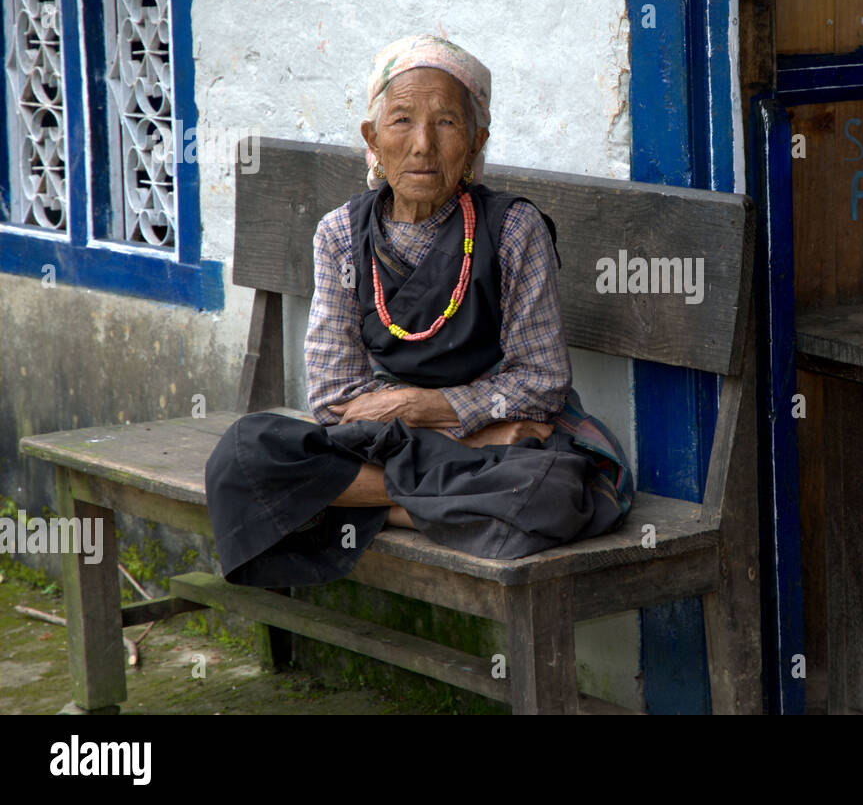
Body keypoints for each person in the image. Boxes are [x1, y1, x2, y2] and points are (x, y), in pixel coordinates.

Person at [204, 34, 633, 586]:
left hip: (502, 444)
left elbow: (542, 381)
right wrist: (471, 440)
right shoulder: (340, 233)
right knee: (245, 455)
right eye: (402, 120)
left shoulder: (513, 229)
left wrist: (424, 405)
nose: (423, 145)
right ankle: (424, 507)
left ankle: (364, 505)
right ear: (373, 140)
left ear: (476, 142)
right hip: (431, 445)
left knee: (552, 489)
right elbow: (336, 398)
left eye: (447, 123)